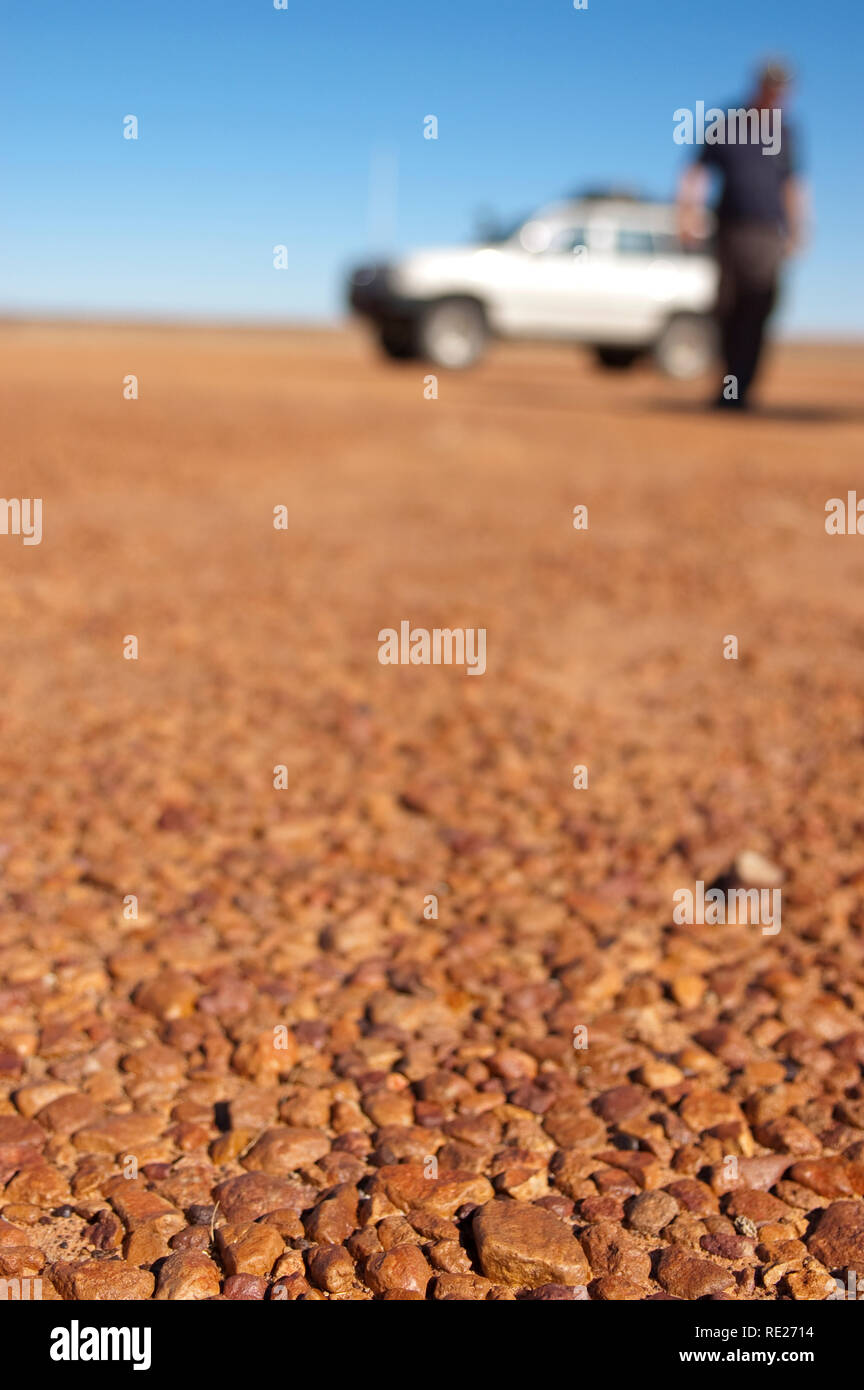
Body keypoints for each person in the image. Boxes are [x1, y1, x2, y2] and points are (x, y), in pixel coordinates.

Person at [677, 60, 807, 410]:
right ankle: (728, 387)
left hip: (768, 235)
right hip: (730, 231)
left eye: (783, 88)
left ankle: (742, 390)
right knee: (727, 309)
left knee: (758, 308)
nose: (777, 94)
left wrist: (798, 228)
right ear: (759, 85)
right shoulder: (728, 124)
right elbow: (696, 170)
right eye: (772, 86)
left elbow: (793, 184)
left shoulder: (786, 132)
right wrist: (687, 213)